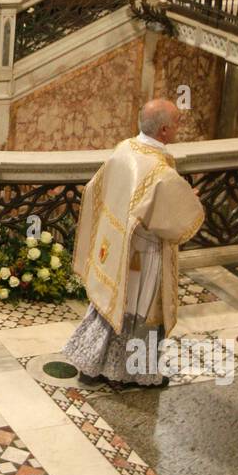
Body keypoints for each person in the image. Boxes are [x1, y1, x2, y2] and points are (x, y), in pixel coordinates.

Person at [63, 99, 204, 388]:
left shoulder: (125, 149)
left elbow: (95, 189)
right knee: (139, 310)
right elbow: (178, 222)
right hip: (146, 254)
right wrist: (190, 201)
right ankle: (133, 372)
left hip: (114, 248)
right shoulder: (159, 171)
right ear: (164, 130)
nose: (180, 127)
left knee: (108, 304)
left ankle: (92, 365)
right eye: (177, 122)